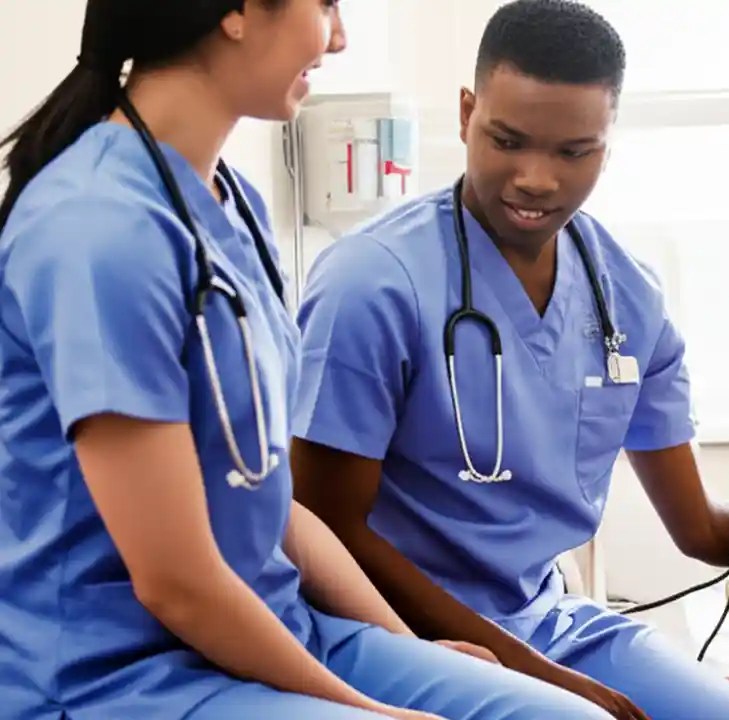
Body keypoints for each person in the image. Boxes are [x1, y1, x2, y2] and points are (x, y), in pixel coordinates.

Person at [0, 2, 615, 719]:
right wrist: (373, 711)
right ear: (235, 12)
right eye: (323, 4)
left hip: (282, 630)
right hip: (120, 674)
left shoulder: (233, 205)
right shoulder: (96, 229)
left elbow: (269, 497)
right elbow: (174, 583)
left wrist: (408, 645)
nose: (341, 36)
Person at [289, 1, 729, 718]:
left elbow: (699, 528)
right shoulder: (373, 282)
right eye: (508, 140)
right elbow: (325, 527)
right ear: (465, 114)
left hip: (550, 622)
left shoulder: (628, 296)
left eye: (572, 152)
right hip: (389, 628)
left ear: (608, 145)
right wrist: (547, 679)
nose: (536, 179)